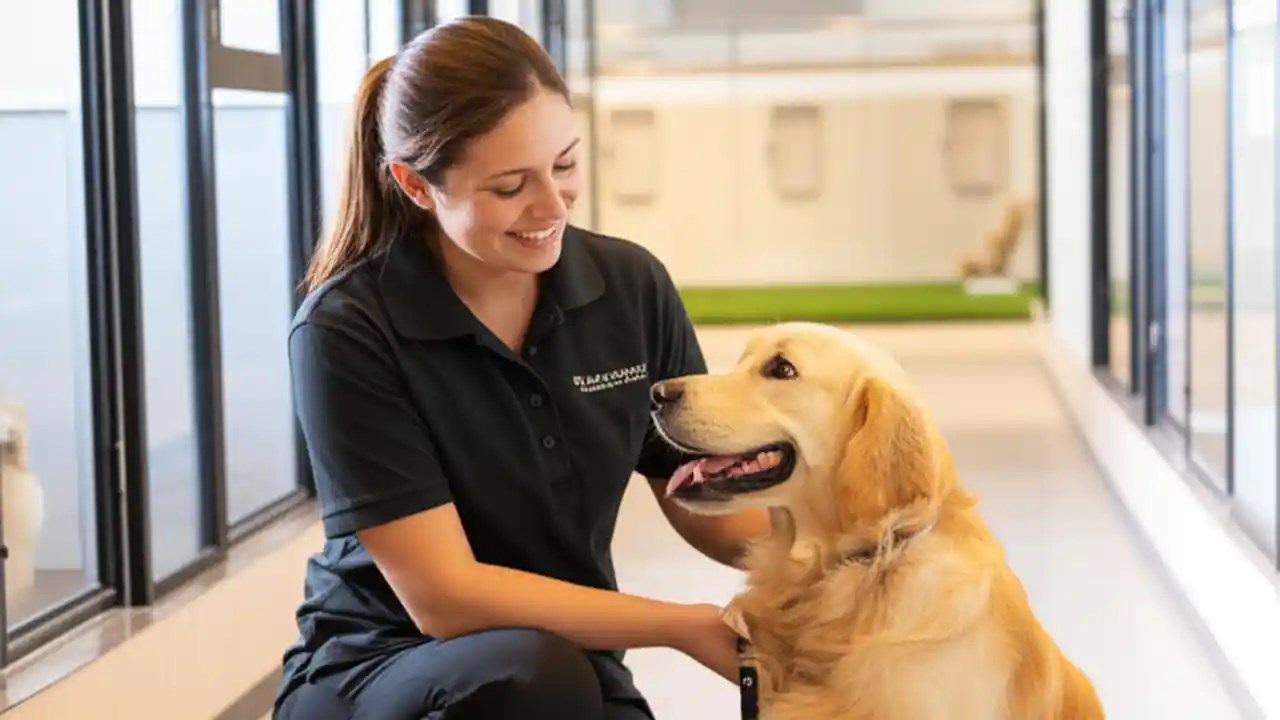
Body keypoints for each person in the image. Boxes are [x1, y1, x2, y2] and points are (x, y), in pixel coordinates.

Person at [273, 17, 771, 720]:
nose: (551, 205)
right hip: (383, 668)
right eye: (509, 187)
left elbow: (704, 507)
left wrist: (852, 553)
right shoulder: (348, 328)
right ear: (416, 187)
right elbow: (444, 599)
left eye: (565, 164)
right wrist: (681, 624)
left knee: (552, 677)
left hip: (565, 660)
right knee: (534, 677)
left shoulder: (629, 286)